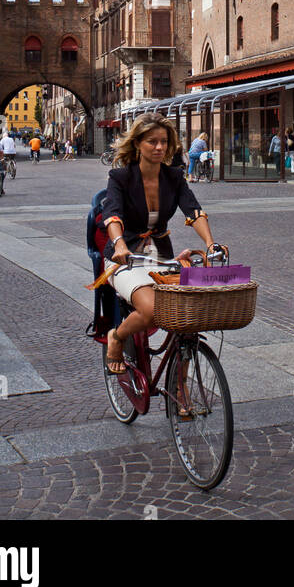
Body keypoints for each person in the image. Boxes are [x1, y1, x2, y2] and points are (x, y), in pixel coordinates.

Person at [101, 113, 222, 387]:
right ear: (137, 144)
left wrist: (210, 244)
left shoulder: (174, 177)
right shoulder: (120, 177)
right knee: (152, 310)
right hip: (125, 259)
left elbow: (194, 210)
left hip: (162, 258)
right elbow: (112, 215)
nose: (159, 148)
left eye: (164, 142)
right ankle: (117, 337)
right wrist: (119, 243)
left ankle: (180, 387)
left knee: (190, 317)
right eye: (152, 141)